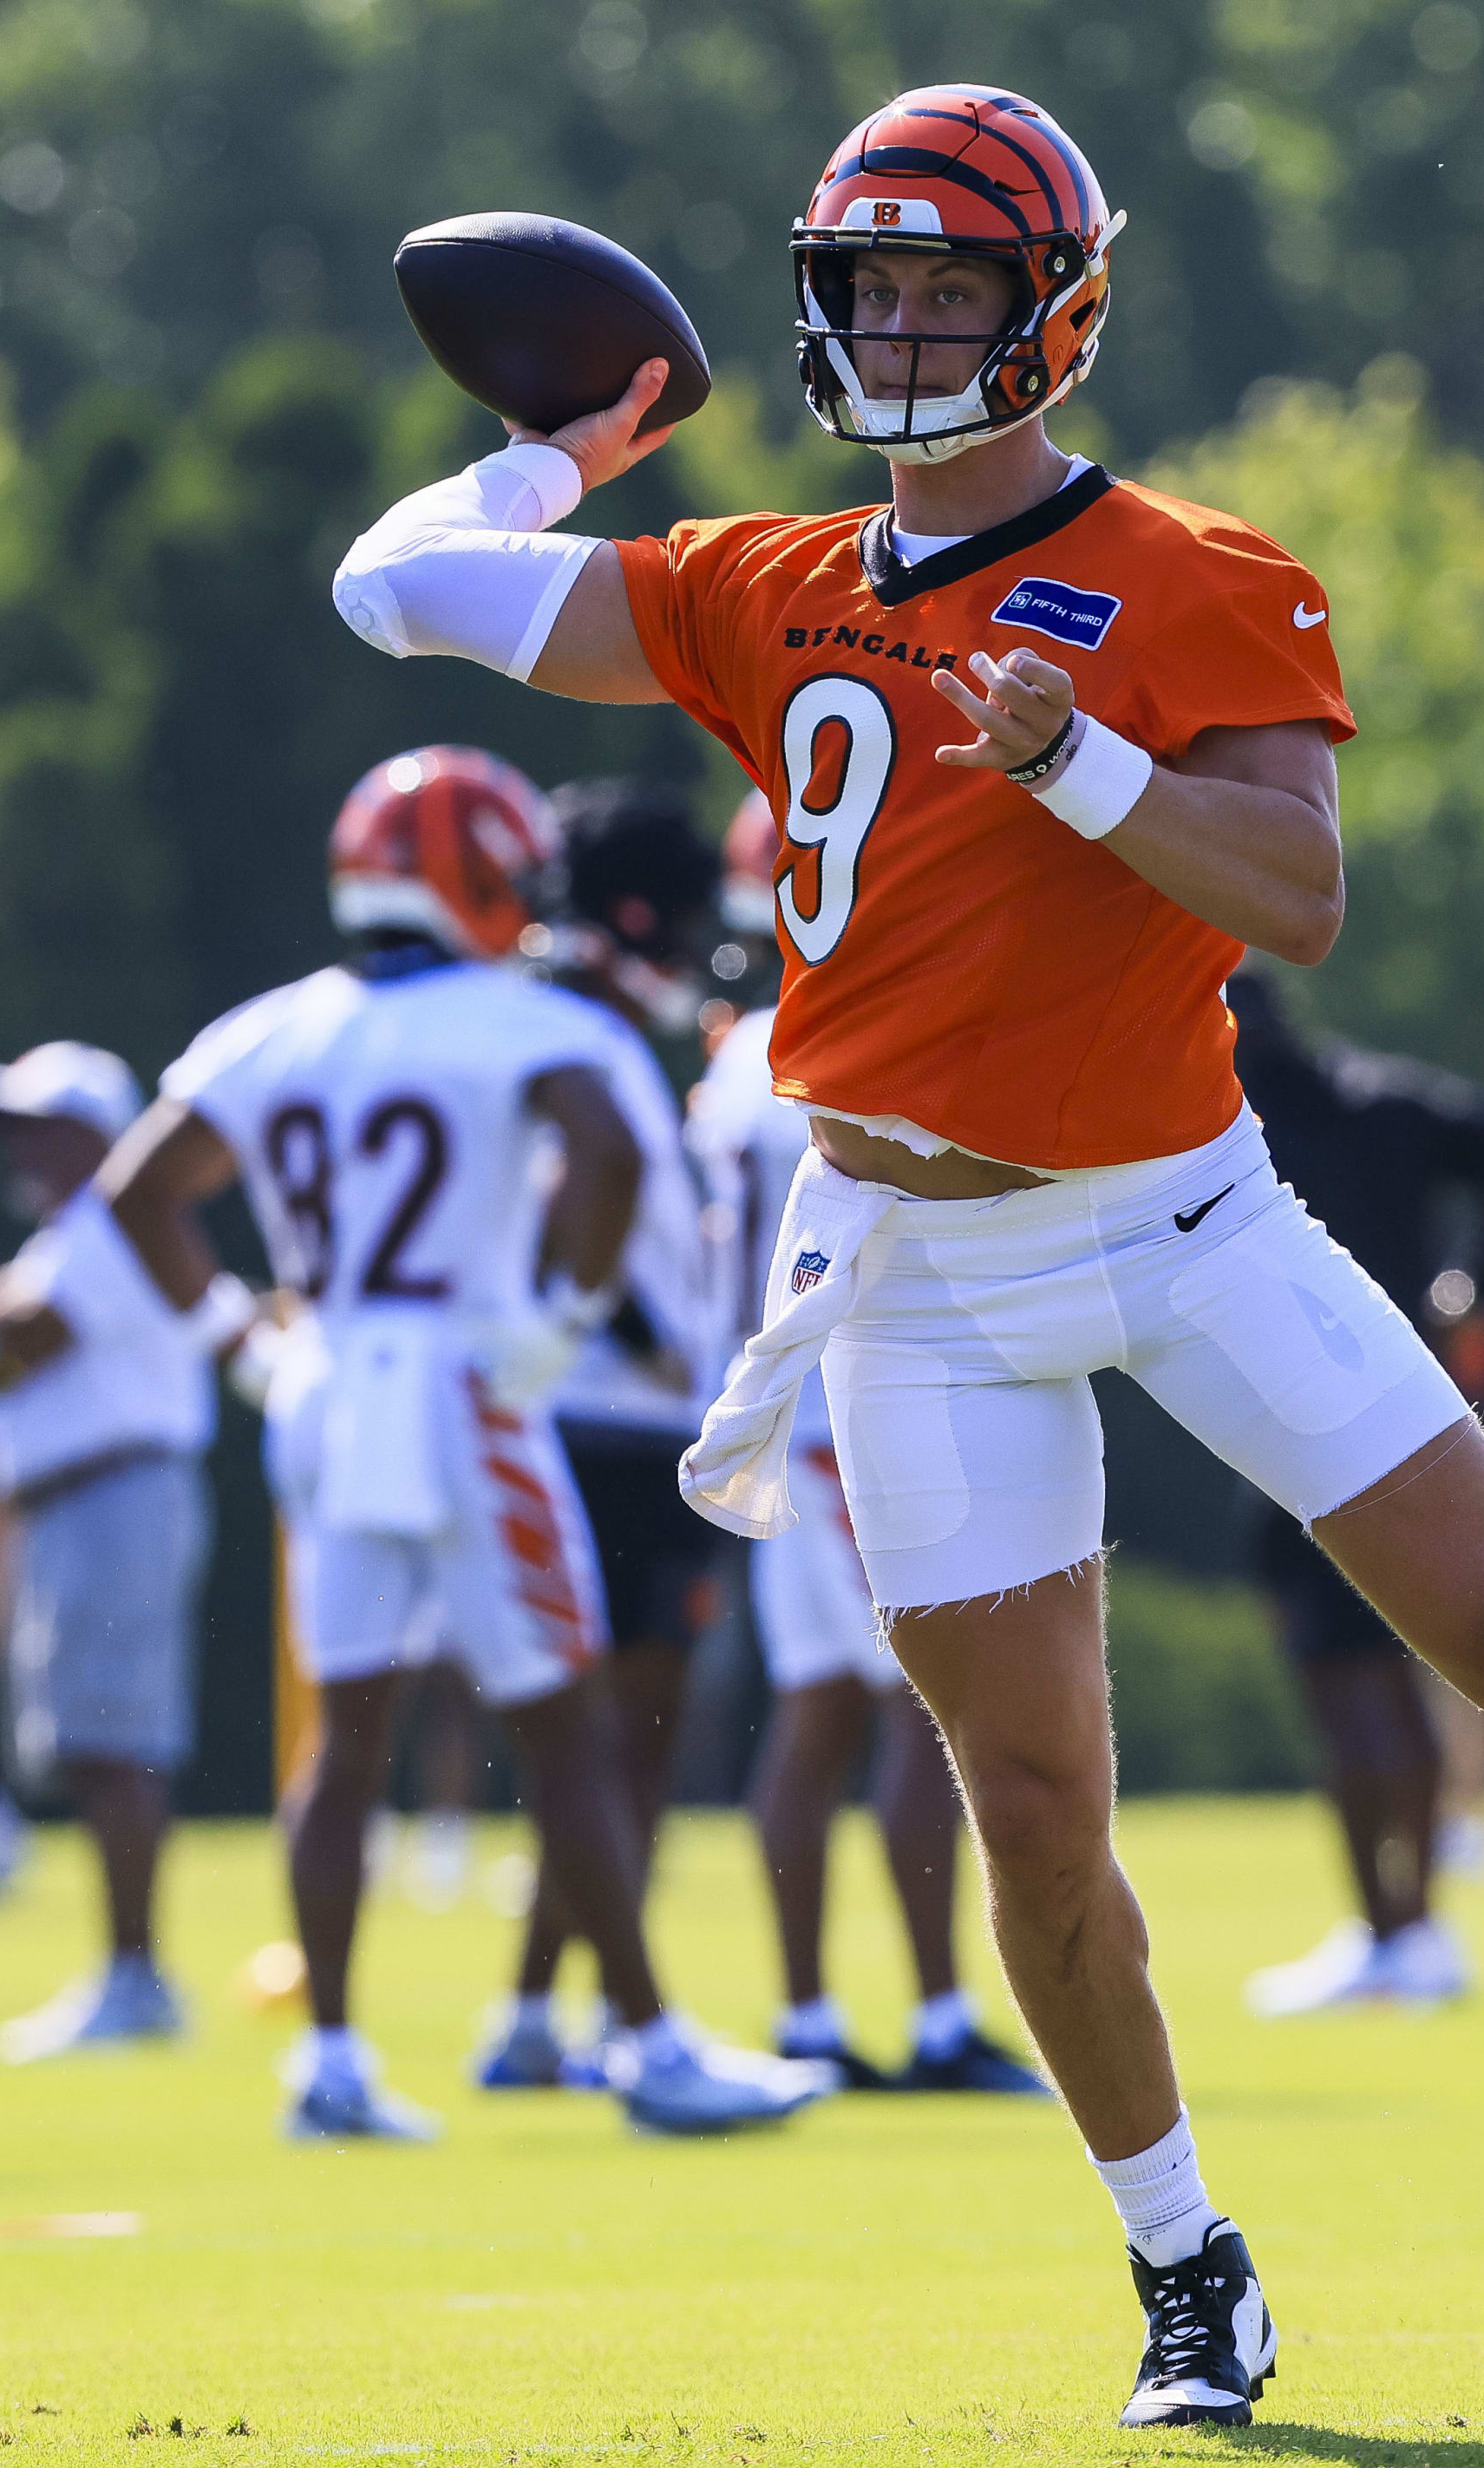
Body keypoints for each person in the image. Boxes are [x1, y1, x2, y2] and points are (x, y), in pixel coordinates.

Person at [334, 84, 1484, 2430]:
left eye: (947, 287)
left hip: (1184, 1218)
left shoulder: (1200, 569)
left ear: (1056, 319)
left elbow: (1297, 893)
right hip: (908, 1272)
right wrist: (571, 445)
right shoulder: (761, 581)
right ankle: (1186, 2264)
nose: (899, 327)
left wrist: (1076, 766)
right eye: (869, 285)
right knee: (1030, 1809)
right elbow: (388, 589)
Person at [91, 744, 822, 2143]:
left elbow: (139, 1194)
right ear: (472, 877)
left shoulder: (273, 1029)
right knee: (562, 1729)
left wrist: (243, 1344)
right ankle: (653, 2042)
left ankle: (332, 2058)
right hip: (470, 1383)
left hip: (325, 1382)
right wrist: (558, 1321)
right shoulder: (519, 1023)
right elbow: (606, 1151)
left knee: (345, 1735)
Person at [694, 795, 1044, 2095]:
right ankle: (937, 2016)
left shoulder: (728, 1059)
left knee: (820, 1711)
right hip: (849, 1398)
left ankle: (809, 2014)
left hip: (779, 1398)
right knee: (916, 1705)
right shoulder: (826, 1032)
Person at [474, 777, 742, 2089]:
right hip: (608, 1422)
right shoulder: (571, 1025)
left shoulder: (563, 1016)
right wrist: (635, 1330)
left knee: (606, 1749)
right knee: (619, 1751)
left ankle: (544, 2015)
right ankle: (594, 2025)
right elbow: (551, 1201)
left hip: (595, 1422)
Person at [1225, 969, 1484, 2016]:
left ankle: (1392, 1929)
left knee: (1345, 1685)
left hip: (1291, 1417)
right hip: (1409, 1414)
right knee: (1386, 1680)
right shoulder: (1387, 1098)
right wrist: (1478, 1290)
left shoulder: (1231, 1125)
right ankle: (1408, 1931)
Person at [0, 1041, 236, 2059]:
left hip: (116, 1494)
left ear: (95, 1131)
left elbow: (24, 1338)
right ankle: (128, 1969)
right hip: (84, 1502)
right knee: (93, 1744)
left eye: (40, 1123)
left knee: (115, 1744)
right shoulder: (77, 1232)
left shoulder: (110, 1227)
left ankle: (135, 1975)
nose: (21, 1145)